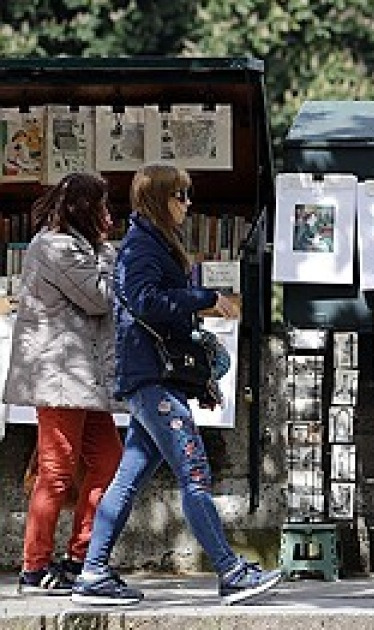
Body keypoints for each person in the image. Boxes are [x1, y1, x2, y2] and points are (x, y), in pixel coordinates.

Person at [71, 164, 281, 607]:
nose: (188, 204)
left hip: (153, 377)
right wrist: (204, 298)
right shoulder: (141, 248)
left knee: (127, 481)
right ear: (158, 199)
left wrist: (199, 378)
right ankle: (229, 570)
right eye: (181, 196)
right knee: (194, 473)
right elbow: (147, 302)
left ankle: (92, 572)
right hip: (150, 380)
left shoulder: (152, 243)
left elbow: (162, 318)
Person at [4, 172, 122, 594]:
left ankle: (81, 556)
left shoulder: (77, 245)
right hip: (59, 372)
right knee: (55, 471)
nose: (109, 216)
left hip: (80, 376)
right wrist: (110, 255)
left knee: (108, 460)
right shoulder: (56, 246)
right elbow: (99, 297)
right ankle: (34, 567)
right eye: (103, 207)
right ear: (84, 209)